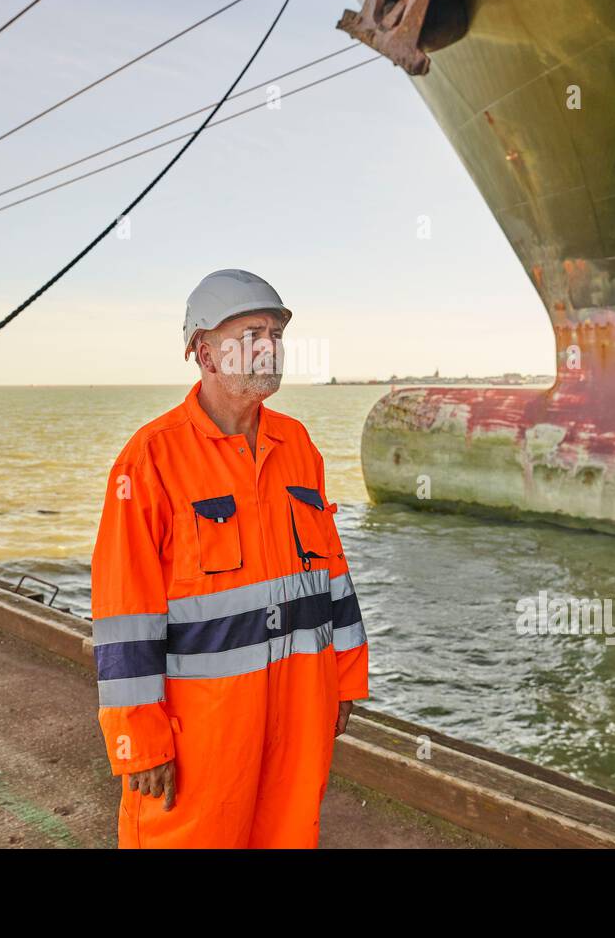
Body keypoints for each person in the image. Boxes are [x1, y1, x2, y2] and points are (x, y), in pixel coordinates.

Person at [90, 268, 368, 848]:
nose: (268, 346)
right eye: (250, 335)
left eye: (274, 332)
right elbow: (125, 612)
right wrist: (140, 739)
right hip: (203, 733)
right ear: (205, 354)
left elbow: (332, 578)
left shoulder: (298, 447)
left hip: (299, 715)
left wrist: (343, 683)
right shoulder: (151, 459)